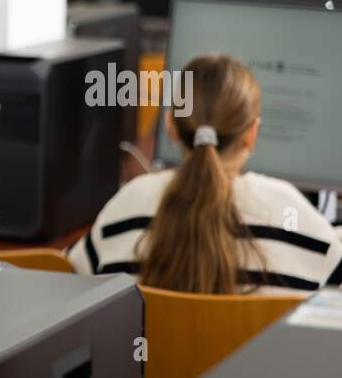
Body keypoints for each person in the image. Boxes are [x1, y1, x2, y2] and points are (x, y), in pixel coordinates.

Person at [69, 53, 342, 293]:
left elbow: (65, 275)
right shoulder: (293, 214)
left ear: (170, 126)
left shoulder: (128, 205)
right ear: (251, 134)